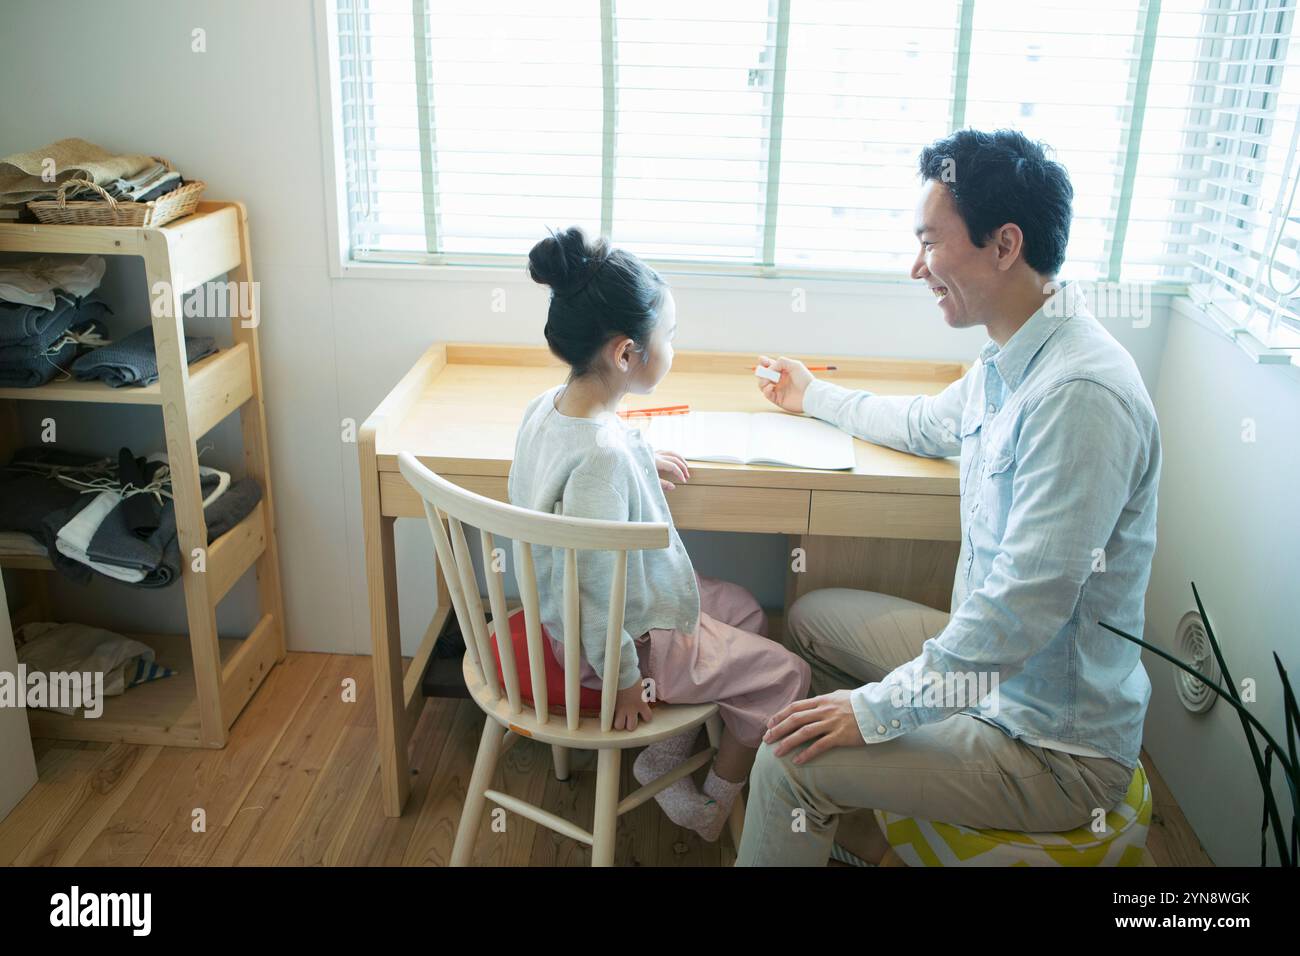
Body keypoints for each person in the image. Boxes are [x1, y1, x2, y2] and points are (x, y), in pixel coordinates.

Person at [739, 128, 1161, 866]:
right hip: (997, 679)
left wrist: (873, 712)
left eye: (931, 242)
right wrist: (814, 397)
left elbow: (1017, 613)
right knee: (810, 619)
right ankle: (862, 840)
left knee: (787, 760)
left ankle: (834, 816)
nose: (917, 266)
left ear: (1004, 245)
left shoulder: (1081, 397)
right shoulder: (1014, 352)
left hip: (1049, 744)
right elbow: (928, 424)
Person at [509, 226, 811, 842]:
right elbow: (595, 591)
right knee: (787, 675)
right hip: (617, 646)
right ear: (626, 354)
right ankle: (711, 808)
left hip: (588, 617)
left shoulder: (549, 407)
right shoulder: (603, 460)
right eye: (667, 337)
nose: (673, 346)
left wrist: (639, 453)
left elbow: (597, 452)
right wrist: (623, 678)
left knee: (747, 611)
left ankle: (663, 757)